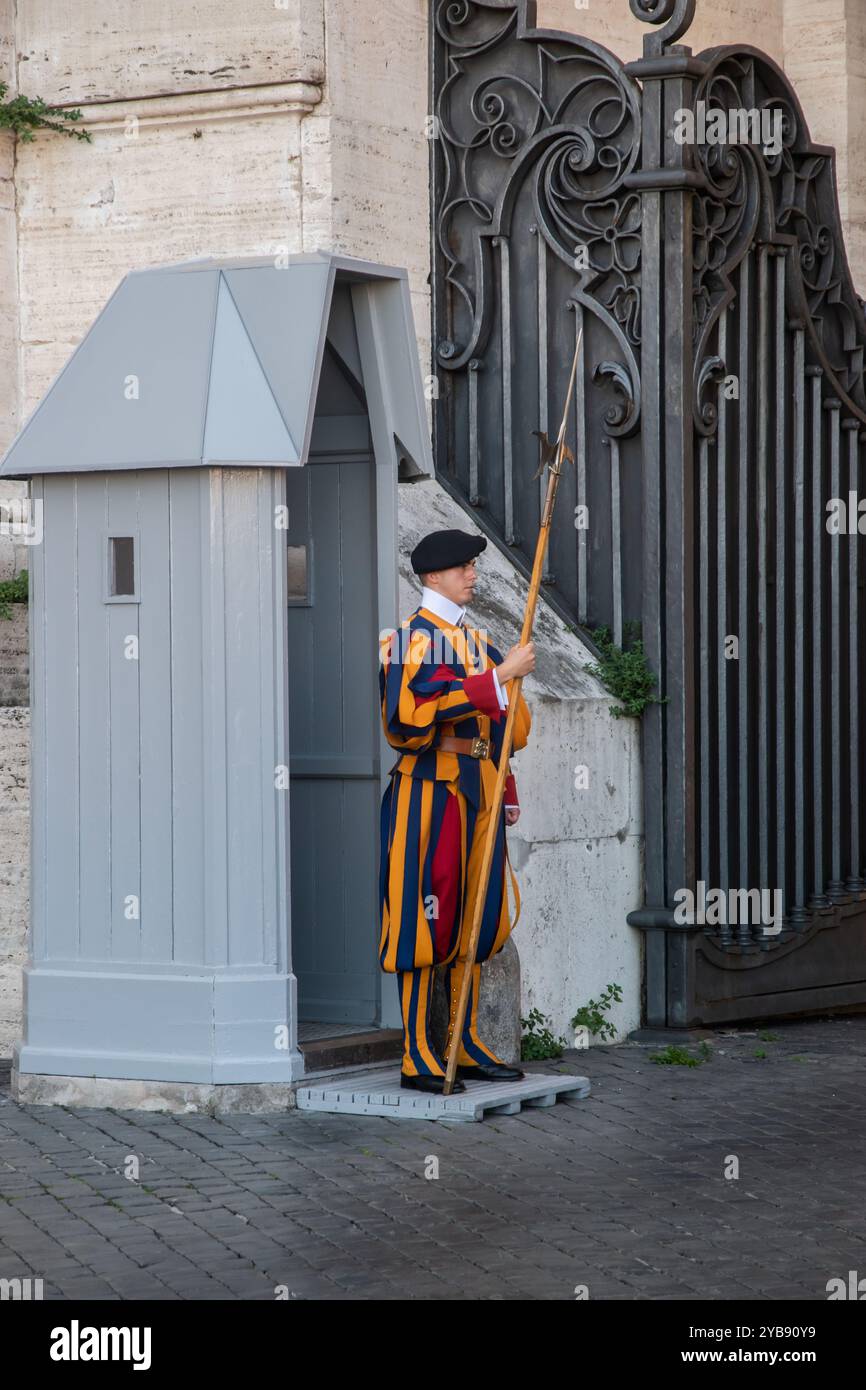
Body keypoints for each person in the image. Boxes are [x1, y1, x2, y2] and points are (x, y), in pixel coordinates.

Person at [378, 527, 534, 1094]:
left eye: (472, 565)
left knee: (476, 917)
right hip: (428, 794)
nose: (473, 573)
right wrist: (495, 679)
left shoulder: (478, 640)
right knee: (425, 920)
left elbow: (503, 723)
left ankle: (460, 1042)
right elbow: (406, 717)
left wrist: (508, 785)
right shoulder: (407, 641)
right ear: (433, 576)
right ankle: (417, 1052)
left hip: (480, 791)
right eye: (463, 566)